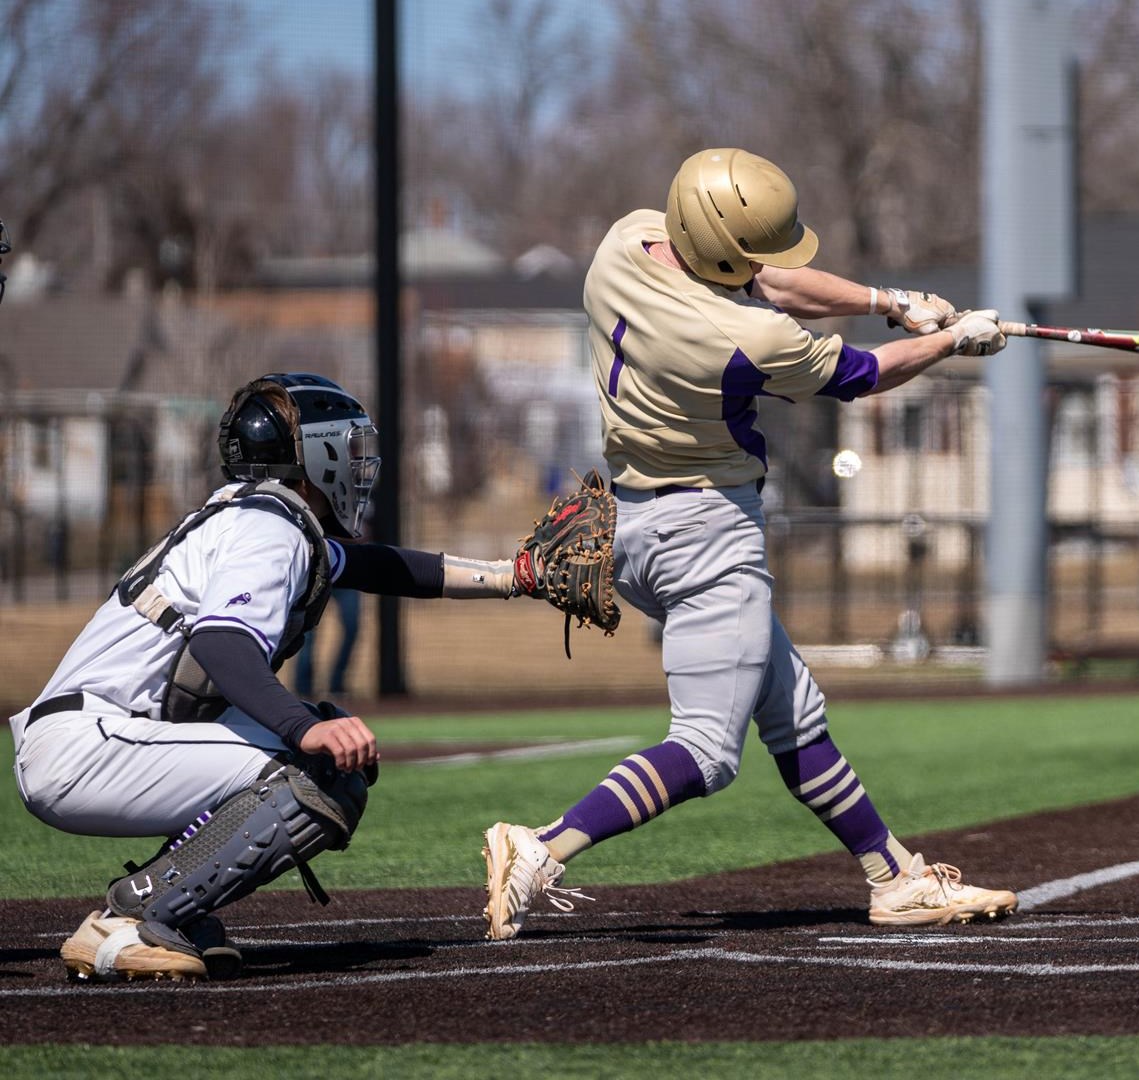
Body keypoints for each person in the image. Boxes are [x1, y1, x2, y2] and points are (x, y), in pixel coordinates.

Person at [481, 148, 1015, 938]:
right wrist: (952, 342)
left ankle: (893, 875)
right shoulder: (749, 338)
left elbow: (769, 278)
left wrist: (891, 299)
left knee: (794, 714)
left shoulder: (625, 242)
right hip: (707, 538)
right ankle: (544, 846)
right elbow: (861, 375)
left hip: (633, 522)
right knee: (706, 750)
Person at [10, 373, 527, 981]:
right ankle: (133, 917)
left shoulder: (267, 518)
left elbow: (385, 566)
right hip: (86, 746)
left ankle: (176, 906)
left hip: (103, 736)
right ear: (314, 454)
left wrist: (514, 575)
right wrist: (303, 730)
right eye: (349, 448)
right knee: (318, 765)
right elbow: (223, 646)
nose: (361, 466)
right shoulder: (268, 529)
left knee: (318, 747)